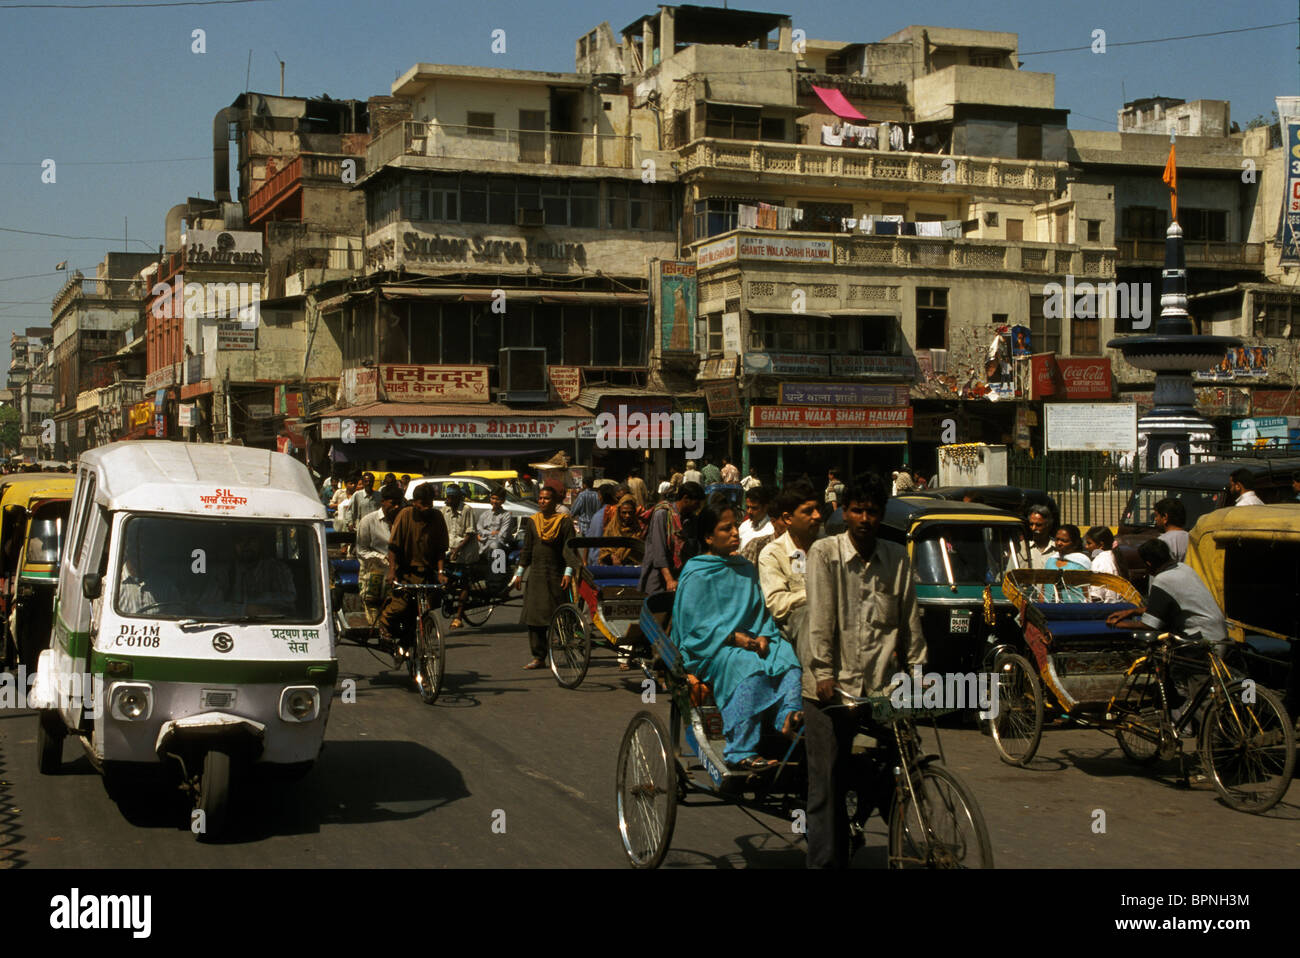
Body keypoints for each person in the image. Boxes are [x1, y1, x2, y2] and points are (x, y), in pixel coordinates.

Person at [802, 472, 924, 869]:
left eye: (872, 511)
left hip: (880, 690)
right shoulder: (825, 553)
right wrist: (823, 674)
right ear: (845, 512)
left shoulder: (897, 557)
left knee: (902, 770)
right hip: (830, 690)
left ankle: (904, 851)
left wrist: (919, 674)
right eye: (857, 510)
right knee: (827, 786)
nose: (865, 518)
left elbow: (909, 623)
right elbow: (820, 620)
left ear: (881, 513)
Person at [670, 500, 803, 770]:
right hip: (709, 649)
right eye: (725, 529)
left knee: (788, 657)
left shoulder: (744, 567)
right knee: (748, 666)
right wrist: (732, 638)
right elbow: (694, 625)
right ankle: (740, 750)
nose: (734, 533)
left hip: (750, 640)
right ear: (708, 536)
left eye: (735, 528)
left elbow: (759, 612)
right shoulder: (696, 571)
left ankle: (789, 719)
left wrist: (765, 635)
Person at [378, 482, 450, 654]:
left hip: (427, 574)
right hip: (406, 573)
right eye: (422, 504)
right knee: (399, 608)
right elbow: (393, 547)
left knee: (430, 608)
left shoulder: (437, 517)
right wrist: (392, 571)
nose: (426, 508)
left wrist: (441, 572)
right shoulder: (405, 515)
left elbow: (441, 549)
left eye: (429, 503)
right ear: (414, 502)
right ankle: (385, 628)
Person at [509, 486, 576, 670]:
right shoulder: (533, 521)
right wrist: (519, 574)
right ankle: (539, 657)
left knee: (560, 616)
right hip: (537, 575)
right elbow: (527, 550)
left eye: (546, 499)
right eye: (540, 498)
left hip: (556, 575)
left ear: (554, 503)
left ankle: (567, 650)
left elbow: (570, 550)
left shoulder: (564, 522)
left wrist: (568, 572)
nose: (542, 501)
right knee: (534, 619)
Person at [758, 482, 822, 652]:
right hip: (795, 629)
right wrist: (819, 594)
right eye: (808, 511)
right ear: (788, 518)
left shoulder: (828, 546)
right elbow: (776, 604)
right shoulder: (772, 554)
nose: (817, 516)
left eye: (817, 509)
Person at [202, 528, 296, 613]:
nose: (246, 545)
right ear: (234, 546)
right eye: (240, 541)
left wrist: (259, 601)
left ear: (260, 542)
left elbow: (289, 599)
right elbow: (207, 605)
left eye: (251, 540)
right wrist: (245, 609)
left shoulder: (277, 569)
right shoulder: (224, 572)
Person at [639, 481, 705, 596]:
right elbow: (659, 551)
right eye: (696, 503)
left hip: (681, 578)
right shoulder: (662, 514)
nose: (698, 507)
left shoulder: (692, 519)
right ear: (686, 499)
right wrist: (669, 579)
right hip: (659, 577)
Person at [356, 482, 403, 625]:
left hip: (397, 573)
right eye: (392, 503)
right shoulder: (368, 521)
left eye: (398, 504)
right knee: (374, 610)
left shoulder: (402, 521)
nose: (396, 507)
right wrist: (382, 557)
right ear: (383, 502)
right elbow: (361, 551)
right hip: (375, 571)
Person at [442, 485, 478, 629]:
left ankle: (458, 617)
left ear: (458, 498)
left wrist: (457, 549)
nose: (448, 500)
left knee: (463, 583)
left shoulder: (467, 510)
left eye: (451, 497)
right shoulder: (444, 510)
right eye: (448, 497)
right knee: (446, 581)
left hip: (465, 551)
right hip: (449, 550)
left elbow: (470, 533)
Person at [598, 494, 644, 566]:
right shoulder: (611, 529)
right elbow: (604, 551)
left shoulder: (638, 531)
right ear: (619, 513)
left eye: (630, 512)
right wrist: (612, 557)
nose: (627, 516)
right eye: (624, 512)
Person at [1084, 526, 1125, 604]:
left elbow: (1096, 596)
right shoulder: (1113, 556)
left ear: (1101, 545)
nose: (1086, 546)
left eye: (1089, 543)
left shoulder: (1099, 562)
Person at [739, 497, 786, 566]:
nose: (749, 511)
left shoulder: (771, 530)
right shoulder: (744, 527)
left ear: (765, 508)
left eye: (754, 508)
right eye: (747, 507)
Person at [1154, 498, 1189, 562]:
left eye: (1156, 515)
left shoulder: (1162, 542)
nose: (1155, 519)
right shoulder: (1192, 539)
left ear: (1165, 517)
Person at [1026, 505, 1057, 569]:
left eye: (1038, 525)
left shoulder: (1057, 548)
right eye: (1031, 524)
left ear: (1048, 525)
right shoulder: (1022, 548)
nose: (1033, 528)